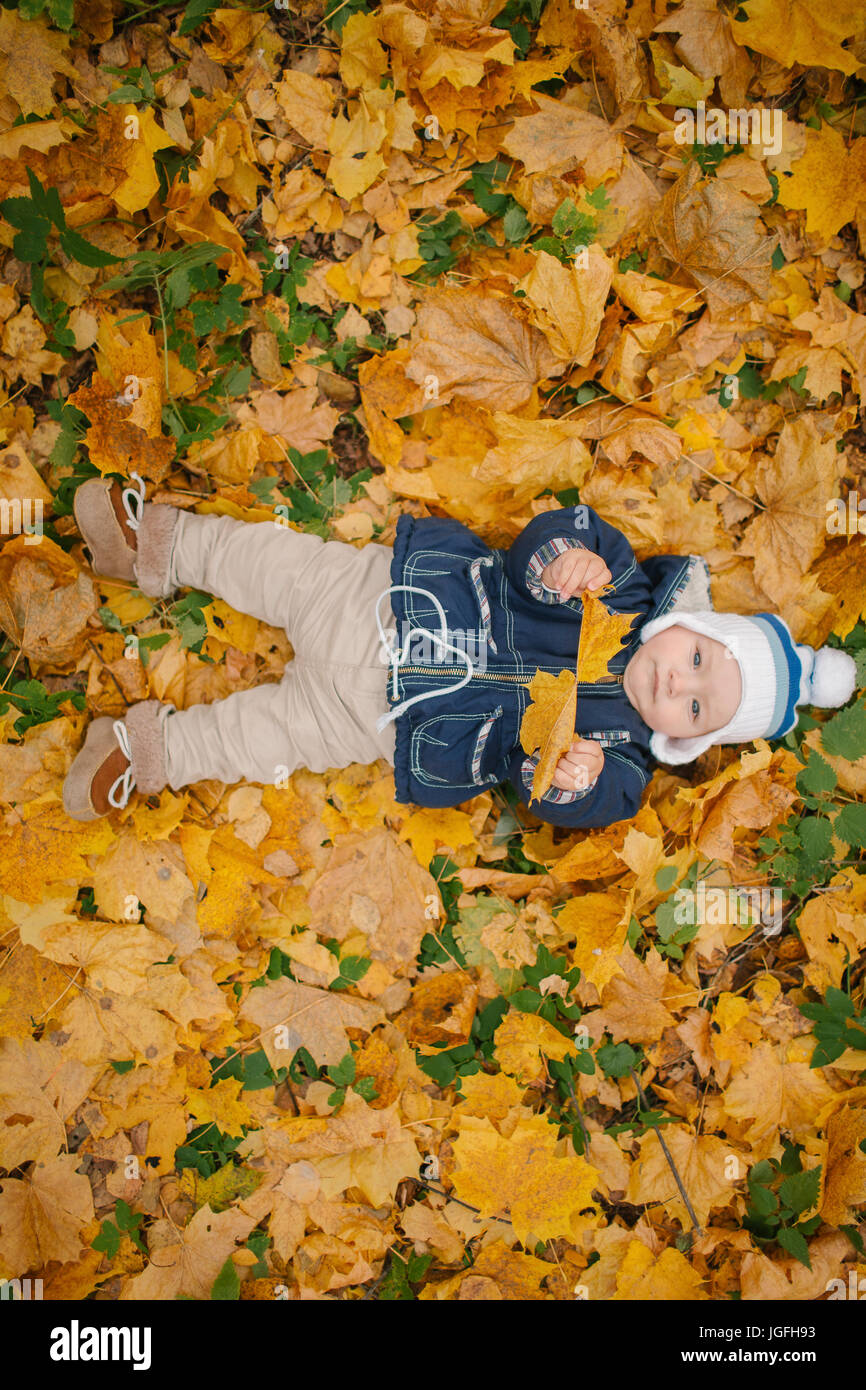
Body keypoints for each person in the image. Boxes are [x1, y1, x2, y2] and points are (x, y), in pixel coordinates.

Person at [62, 476, 857, 828]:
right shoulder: (616, 584)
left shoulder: (622, 765)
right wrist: (556, 566)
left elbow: (544, 799)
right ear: (697, 627)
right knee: (275, 565)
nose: (674, 683)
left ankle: (152, 750)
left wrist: (566, 780)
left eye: (693, 706)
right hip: (392, 597)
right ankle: (160, 545)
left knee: (267, 738)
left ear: (690, 736)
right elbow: (545, 539)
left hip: (394, 724)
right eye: (697, 660)